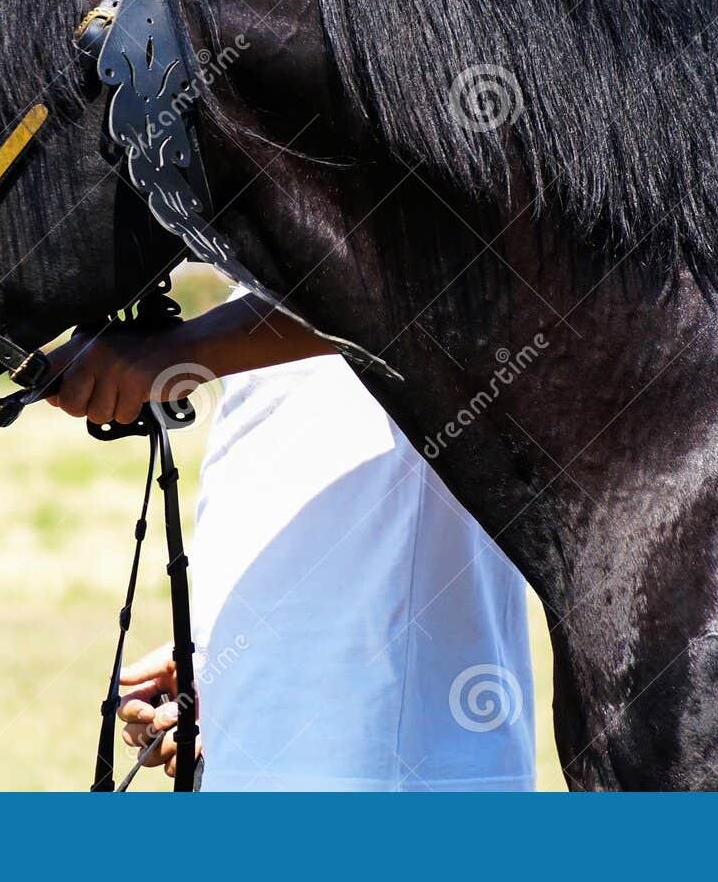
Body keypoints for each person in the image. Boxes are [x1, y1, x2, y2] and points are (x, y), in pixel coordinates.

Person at [50, 293, 536, 791]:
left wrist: (175, 350)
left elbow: (406, 293)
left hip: (392, 769)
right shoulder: (266, 287)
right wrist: (230, 669)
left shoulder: (397, 260)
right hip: (295, 757)